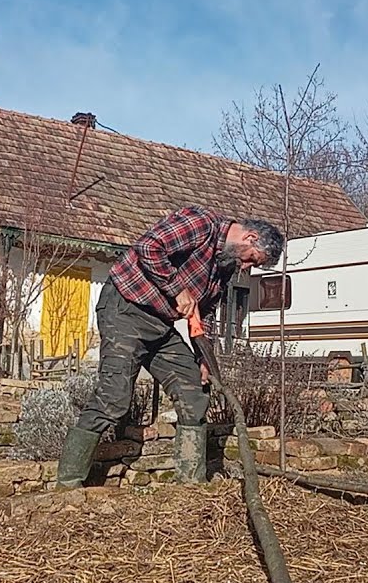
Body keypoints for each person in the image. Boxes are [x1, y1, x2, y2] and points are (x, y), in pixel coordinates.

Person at [56, 205, 284, 488]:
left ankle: (190, 484)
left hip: (160, 324)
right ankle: (67, 483)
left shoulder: (224, 266)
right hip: (125, 308)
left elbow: (206, 312)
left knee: (194, 391)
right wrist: (177, 288)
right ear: (249, 238)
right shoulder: (202, 224)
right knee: (113, 398)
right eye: (253, 260)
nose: (247, 267)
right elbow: (148, 247)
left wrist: (204, 356)